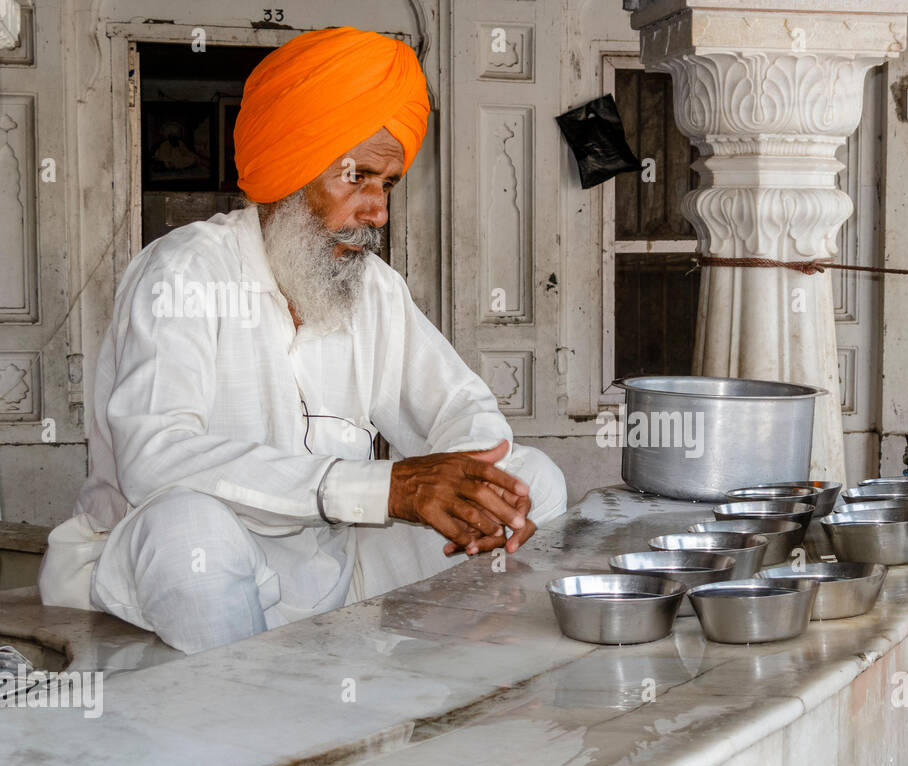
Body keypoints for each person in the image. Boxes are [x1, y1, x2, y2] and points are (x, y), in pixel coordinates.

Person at [37, 27, 567, 654]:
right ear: (288, 169)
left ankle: (437, 691)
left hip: (339, 564)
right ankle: (256, 733)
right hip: (192, 565)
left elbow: (460, 411)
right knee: (190, 533)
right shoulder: (184, 272)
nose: (378, 212)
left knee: (530, 476)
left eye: (387, 184)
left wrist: (478, 488)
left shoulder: (371, 286)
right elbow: (157, 459)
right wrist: (382, 488)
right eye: (357, 178)